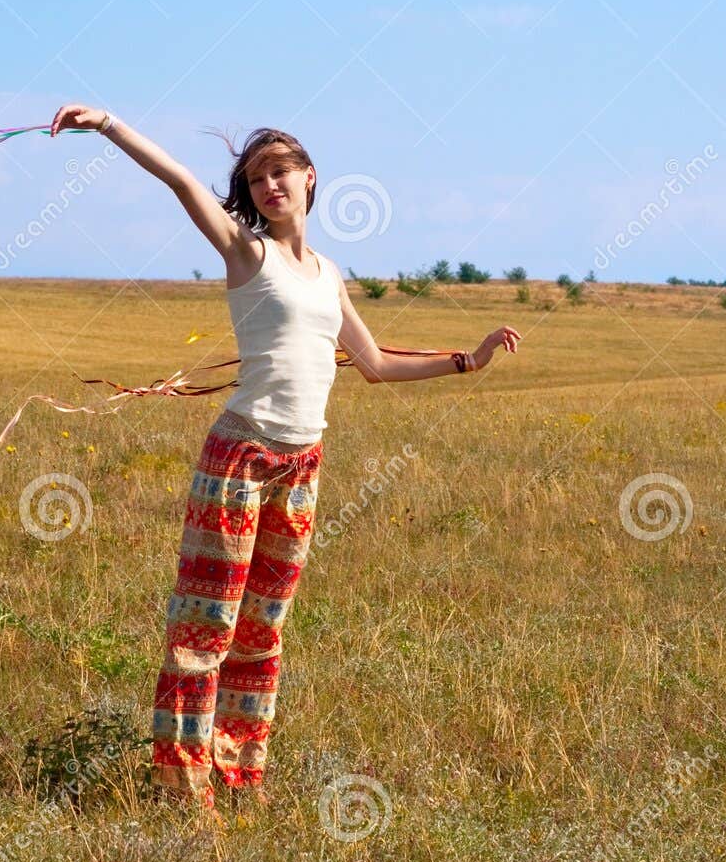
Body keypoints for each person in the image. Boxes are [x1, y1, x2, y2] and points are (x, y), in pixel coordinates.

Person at [49, 104, 521, 816]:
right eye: (257, 176)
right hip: (240, 456)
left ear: (309, 179)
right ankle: (184, 788)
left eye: (281, 171)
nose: (270, 184)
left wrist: (467, 360)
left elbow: (376, 363)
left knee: (262, 631)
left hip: (302, 467)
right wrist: (110, 125)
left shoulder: (328, 273)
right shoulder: (248, 253)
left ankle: (240, 774)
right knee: (206, 623)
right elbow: (180, 181)